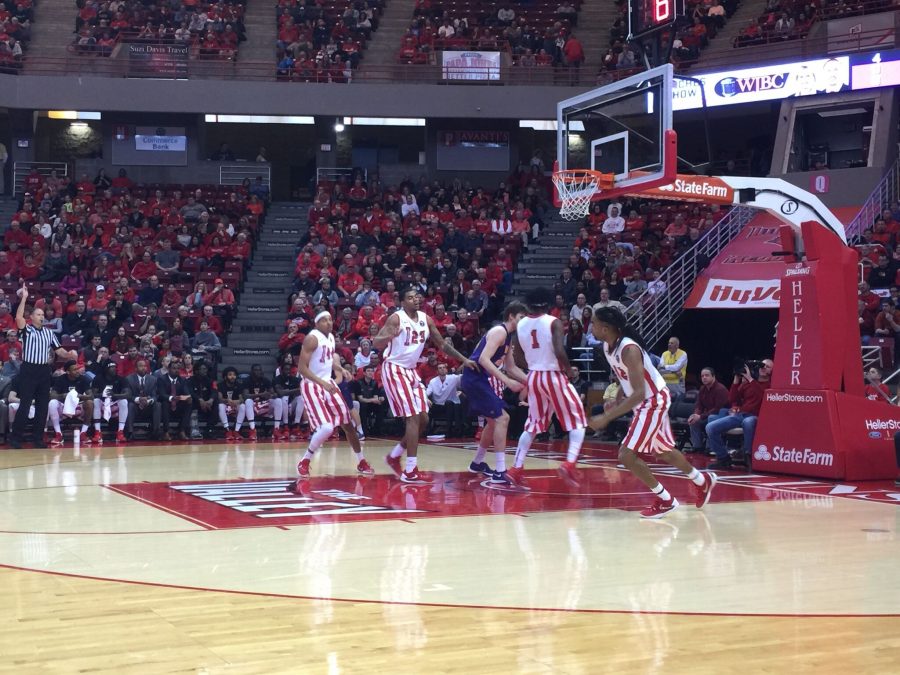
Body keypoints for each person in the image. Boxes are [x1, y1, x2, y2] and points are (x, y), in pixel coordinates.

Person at [588, 307, 716, 518]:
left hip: (652, 401)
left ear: (605, 327)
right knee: (664, 451)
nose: (590, 327)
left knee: (626, 455)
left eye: (593, 323)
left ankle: (666, 500)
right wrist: (620, 391)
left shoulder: (629, 349)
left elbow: (639, 393)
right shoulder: (607, 346)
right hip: (645, 401)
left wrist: (606, 418)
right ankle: (703, 481)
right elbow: (626, 375)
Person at [373, 287, 475, 483]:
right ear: (402, 302)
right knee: (412, 417)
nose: (415, 300)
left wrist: (464, 359)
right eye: (410, 297)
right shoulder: (396, 318)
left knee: (424, 419)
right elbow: (377, 343)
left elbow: (443, 345)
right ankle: (410, 469)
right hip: (394, 368)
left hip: (410, 371)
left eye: (417, 297)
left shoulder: (425, 319)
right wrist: (388, 336)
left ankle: (394, 456)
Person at [508, 288, 588, 487]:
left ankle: (516, 468)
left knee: (533, 424)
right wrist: (568, 369)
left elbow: (517, 357)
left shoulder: (522, 324)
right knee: (578, 420)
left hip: (533, 375)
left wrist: (534, 365)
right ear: (547, 304)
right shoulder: (554, 322)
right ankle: (570, 463)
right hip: (553, 374)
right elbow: (560, 350)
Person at [291, 311, 373, 485]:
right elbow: (302, 369)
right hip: (312, 384)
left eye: (330, 319)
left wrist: (340, 368)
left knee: (348, 425)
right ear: (317, 323)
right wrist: (322, 382)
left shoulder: (330, 338)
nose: (328, 322)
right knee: (327, 427)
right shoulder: (312, 338)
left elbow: (326, 360)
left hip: (328, 383)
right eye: (324, 320)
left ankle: (361, 461)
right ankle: (305, 461)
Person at [460, 301, 528, 484]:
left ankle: (477, 463)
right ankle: (500, 471)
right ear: (511, 316)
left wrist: (531, 381)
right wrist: (507, 381)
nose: (524, 322)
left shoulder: (509, 338)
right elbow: (483, 359)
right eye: (521, 318)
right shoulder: (500, 331)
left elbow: (511, 367)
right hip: (474, 378)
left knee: (493, 422)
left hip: (479, 380)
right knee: (502, 418)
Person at [9, 283, 78, 448]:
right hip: (28, 369)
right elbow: (18, 318)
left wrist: (68, 354)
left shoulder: (49, 332)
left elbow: (59, 350)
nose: (41, 316)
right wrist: (24, 298)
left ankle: (38, 438)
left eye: (42, 314)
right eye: (38, 314)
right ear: (31, 317)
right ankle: (16, 438)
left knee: (42, 406)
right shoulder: (27, 330)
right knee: (25, 405)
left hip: (43, 371)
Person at [705, 359, 771, 470]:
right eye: (762, 366)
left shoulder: (770, 385)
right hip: (741, 415)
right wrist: (736, 381)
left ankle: (747, 455)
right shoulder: (748, 383)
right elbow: (732, 399)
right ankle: (723, 458)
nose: (763, 368)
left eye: (767, 366)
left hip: (757, 416)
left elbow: (762, 396)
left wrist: (750, 379)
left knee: (748, 422)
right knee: (710, 427)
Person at [48, 361, 95, 446]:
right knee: (52, 403)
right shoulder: (60, 379)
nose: (77, 371)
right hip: (64, 407)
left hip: (78, 407)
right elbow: (52, 395)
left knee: (90, 403)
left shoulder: (83, 378)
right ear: (68, 372)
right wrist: (63, 395)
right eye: (74, 370)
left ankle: (83, 433)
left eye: (77, 369)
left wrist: (80, 396)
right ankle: (58, 434)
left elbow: (91, 395)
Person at [687, 367, 730, 452]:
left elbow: (718, 409)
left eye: (707, 375)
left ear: (713, 377)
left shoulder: (720, 389)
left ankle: (710, 447)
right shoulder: (703, 389)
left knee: (711, 418)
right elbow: (699, 405)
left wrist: (701, 416)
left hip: (721, 416)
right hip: (708, 415)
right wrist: (696, 415)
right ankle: (697, 446)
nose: (704, 378)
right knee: (693, 421)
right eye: (702, 376)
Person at [91, 361, 129, 443]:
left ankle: (120, 432)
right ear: (106, 369)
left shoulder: (121, 379)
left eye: (115, 367)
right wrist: (103, 394)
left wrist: (114, 395)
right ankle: (97, 432)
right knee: (96, 401)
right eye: (112, 367)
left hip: (115, 407)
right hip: (102, 406)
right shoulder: (98, 378)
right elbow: (93, 394)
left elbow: (127, 394)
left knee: (124, 401)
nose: (114, 369)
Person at [157, 358, 192, 441]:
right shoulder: (162, 379)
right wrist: (172, 398)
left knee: (189, 403)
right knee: (165, 403)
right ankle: (166, 432)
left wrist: (188, 397)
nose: (176, 370)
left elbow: (186, 392)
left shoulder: (182, 380)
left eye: (178, 368)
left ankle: (182, 431)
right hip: (167, 404)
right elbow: (161, 394)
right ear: (169, 369)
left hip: (178, 404)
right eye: (174, 368)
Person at [425, 363, 464, 437]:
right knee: (448, 404)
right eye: (440, 368)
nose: (442, 369)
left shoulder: (453, 378)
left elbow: (462, 376)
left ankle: (453, 430)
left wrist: (464, 364)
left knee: (451, 403)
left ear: (446, 370)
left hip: (451, 405)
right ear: (437, 371)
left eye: (444, 367)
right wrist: (426, 399)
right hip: (438, 405)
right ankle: (429, 430)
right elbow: (427, 392)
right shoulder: (433, 381)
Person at [125, 359, 161, 439]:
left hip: (148, 407)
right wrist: (138, 399)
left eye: (145, 366)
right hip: (136, 407)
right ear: (136, 368)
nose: (143, 368)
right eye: (141, 366)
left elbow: (155, 396)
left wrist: (148, 401)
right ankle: (130, 432)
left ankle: (156, 432)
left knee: (157, 405)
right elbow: (128, 396)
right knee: (130, 405)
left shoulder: (153, 379)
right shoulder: (129, 379)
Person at [353, 365, 386, 436]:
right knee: (363, 407)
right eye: (368, 371)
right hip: (361, 404)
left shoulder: (374, 383)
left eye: (372, 371)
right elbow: (361, 399)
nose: (370, 373)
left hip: (370, 403)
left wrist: (379, 399)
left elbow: (375, 397)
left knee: (380, 407)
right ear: (364, 373)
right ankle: (364, 430)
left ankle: (377, 429)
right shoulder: (358, 383)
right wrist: (372, 400)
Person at [218, 367, 248, 442]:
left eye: (234, 375)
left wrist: (237, 401)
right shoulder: (221, 385)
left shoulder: (238, 385)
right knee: (220, 406)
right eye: (230, 375)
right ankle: (227, 430)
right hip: (226, 405)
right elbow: (219, 399)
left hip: (234, 405)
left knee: (243, 406)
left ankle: (236, 431)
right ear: (225, 377)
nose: (232, 377)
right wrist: (227, 401)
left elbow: (241, 399)